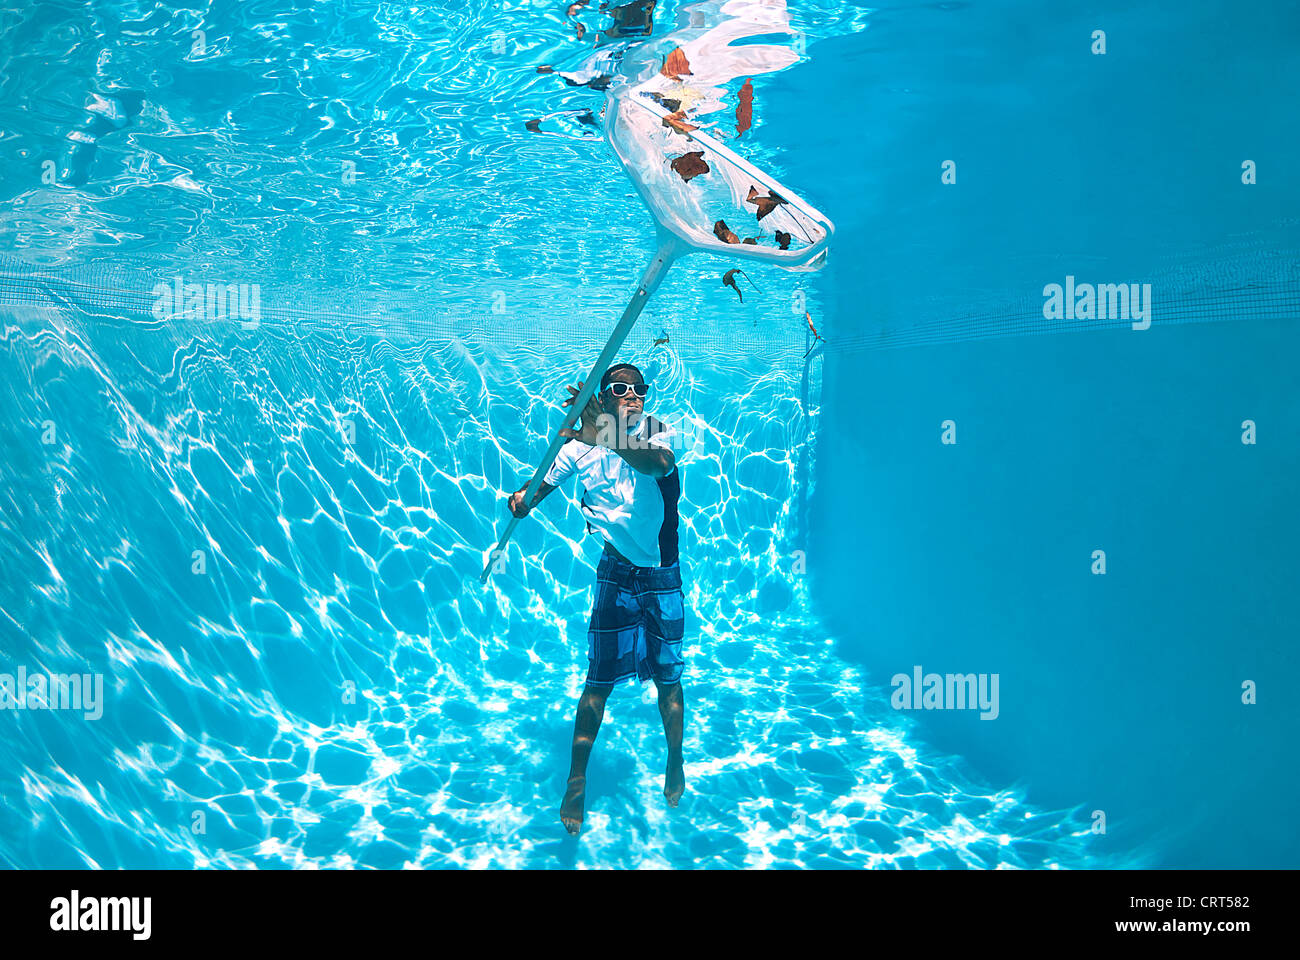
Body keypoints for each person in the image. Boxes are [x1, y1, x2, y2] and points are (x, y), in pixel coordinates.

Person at [507, 363, 685, 835]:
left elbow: (658, 465)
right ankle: (576, 777)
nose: (632, 395)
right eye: (619, 389)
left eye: (639, 389)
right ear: (602, 396)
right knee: (598, 679)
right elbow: (540, 487)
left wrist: (604, 433)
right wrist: (522, 501)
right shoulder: (580, 445)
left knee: (667, 677)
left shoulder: (655, 431)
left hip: (661, 569)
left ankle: (674, 758)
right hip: (615, 568)